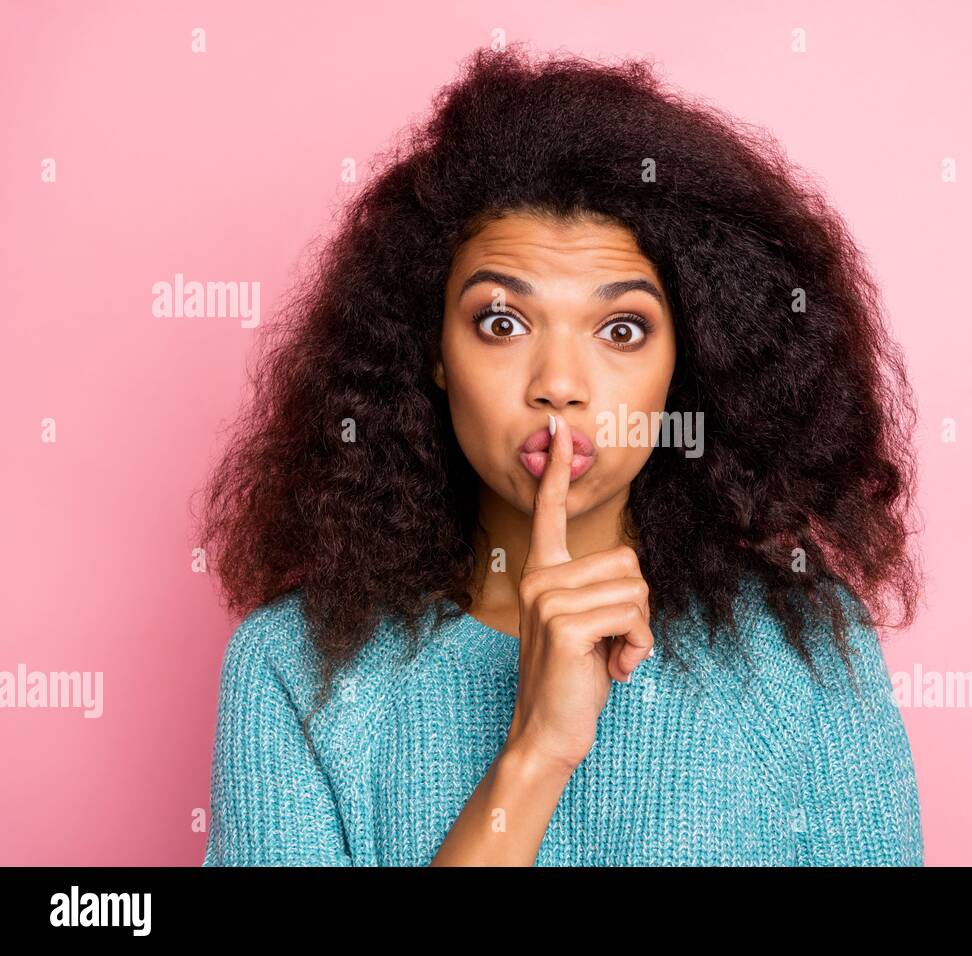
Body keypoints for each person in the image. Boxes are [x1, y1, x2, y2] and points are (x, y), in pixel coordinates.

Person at [197, 43, 924, 866]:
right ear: (430, 351)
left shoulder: (802, 657)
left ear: (688, 365)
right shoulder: (296, 675)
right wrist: (537, 751)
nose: (560, 386)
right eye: (501, 323)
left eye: (622, 331)